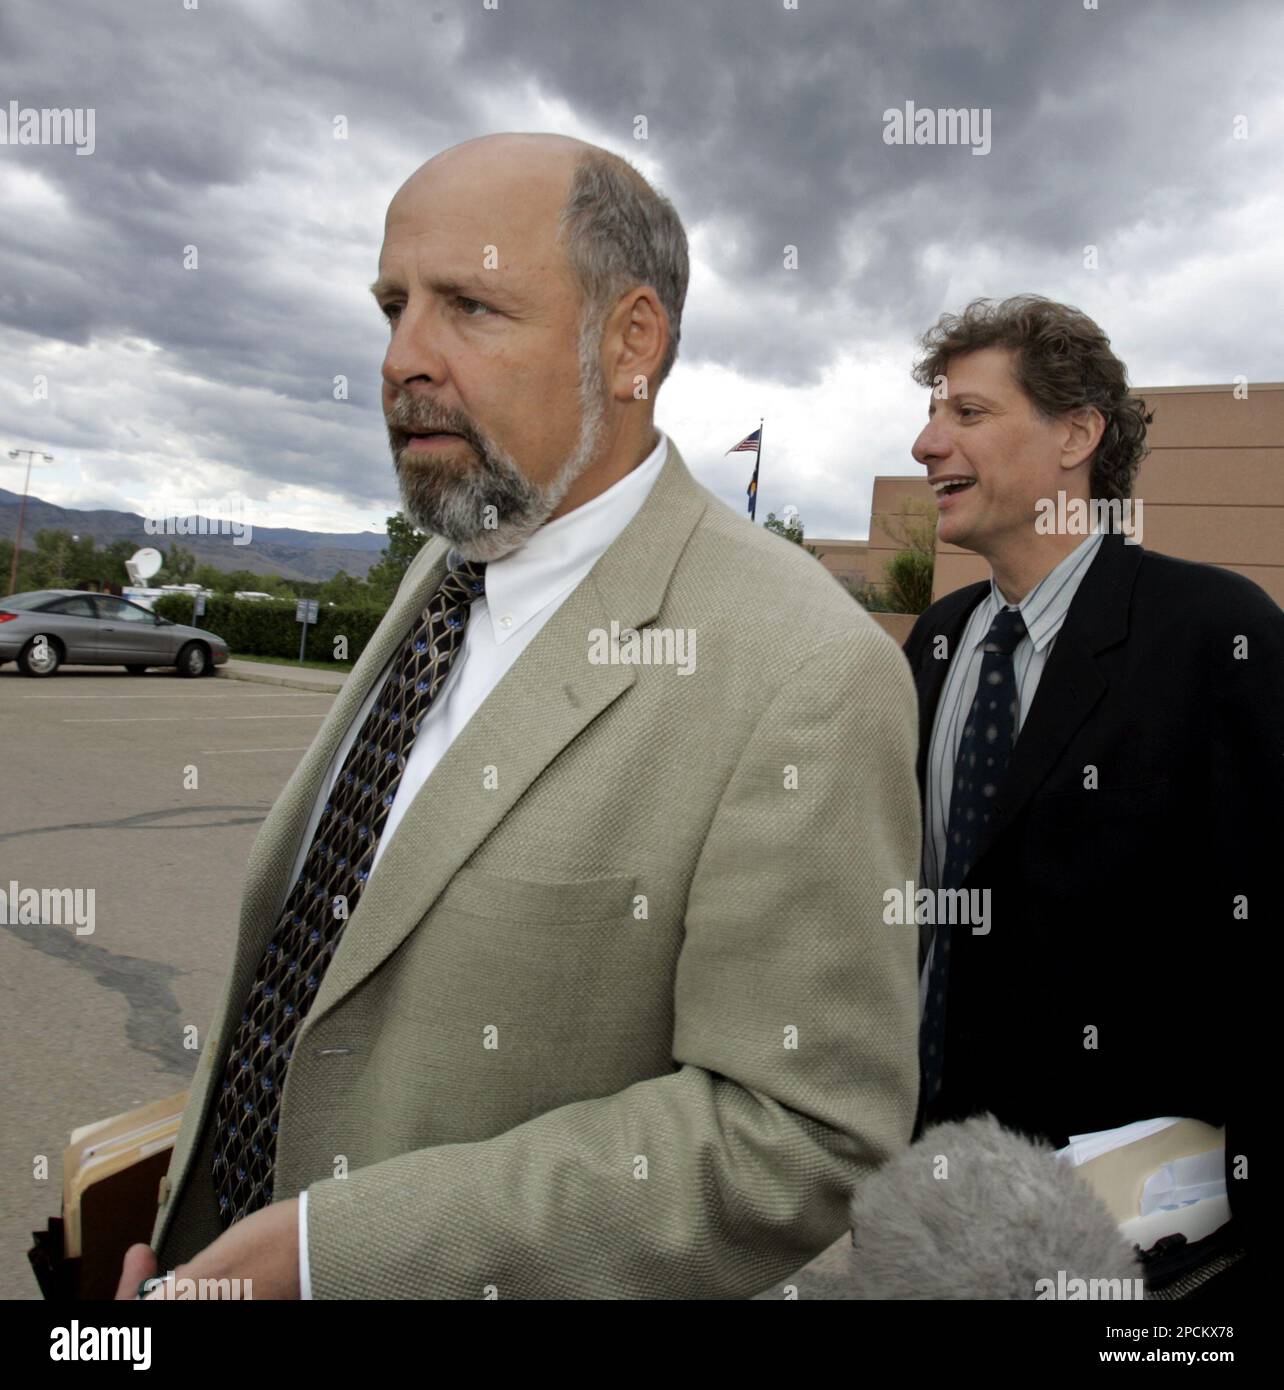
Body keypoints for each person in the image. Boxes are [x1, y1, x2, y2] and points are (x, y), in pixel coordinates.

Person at [120, 133, 922, 1300]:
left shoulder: (805, 670)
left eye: (470, 307)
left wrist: (338, 1256)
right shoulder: (439, 577)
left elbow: (803, 1140)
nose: (402, 358)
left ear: (630, 342)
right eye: (394, 306)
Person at [903, 294, 1279, 1294]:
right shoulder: (936, 644)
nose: (926, 442)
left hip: (1134, 1236)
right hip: (928, 1185)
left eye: (968, 415)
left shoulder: (1215, 636)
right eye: (935, 416)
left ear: (1076, 434)